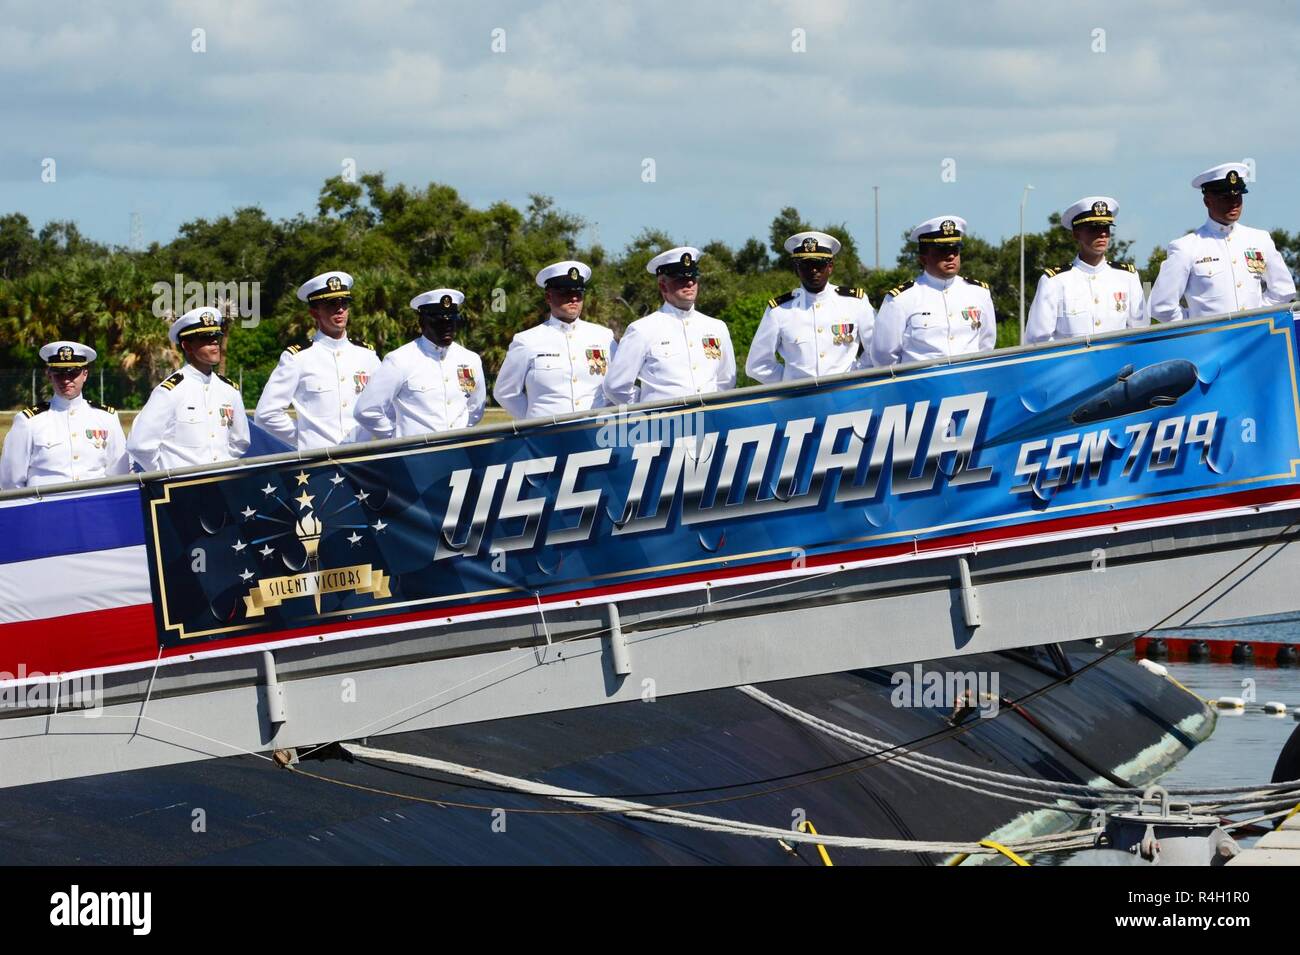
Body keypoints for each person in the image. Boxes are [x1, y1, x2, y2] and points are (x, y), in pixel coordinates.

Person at [1148, 162, 1296, 322]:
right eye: (1225, 197)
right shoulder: (1186, 247)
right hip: (1211, 343)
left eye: (1238, 196)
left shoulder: (1259, 239)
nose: (1234, 203)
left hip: (1255, 341)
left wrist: (1258, 318)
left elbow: (1283, 290)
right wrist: (1195, 328)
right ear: (1207, 201)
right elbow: (1161, 307)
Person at [254, 270, 381, 447]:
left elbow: (386, 406)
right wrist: (305, 438)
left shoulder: (367, 355)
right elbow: (266, 415)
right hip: (319, 462)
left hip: (361, 461)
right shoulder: (298, 358)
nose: (340, 309)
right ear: (314, 313)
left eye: (344, 303)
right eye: (331, 304)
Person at [603, 246, 735, 405]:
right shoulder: (642, 330)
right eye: (681, 279)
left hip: (710, 422)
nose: (690, 283)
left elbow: (726, 381)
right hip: (664, 425)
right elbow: (616, 386)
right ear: (663, 285)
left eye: (693, 277)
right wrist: (648, 407)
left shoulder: (717, 327)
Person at [127, 307, 250, 472]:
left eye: (216, 337)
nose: (214, 342)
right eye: (206, 338)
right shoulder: (170, 391)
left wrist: (223, 464)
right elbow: (139, 445)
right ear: (187, 346)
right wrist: (165, 473)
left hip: (222, 487)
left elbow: (240, 441)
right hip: (182, 488)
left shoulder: (229, 390)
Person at [353, 288, 486, 438]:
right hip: (416, 455)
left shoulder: (470, 359)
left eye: (452, 320)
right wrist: (398, 438)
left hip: (459, 453)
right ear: (422, 322)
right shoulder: (400, 360)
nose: (447, 326)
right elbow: (366, 410)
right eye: (440, 321)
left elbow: (475, 410)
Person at [745, 231, 874, 383]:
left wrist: (856, 376)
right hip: (800, 401)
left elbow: (877, 349)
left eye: (819, 264)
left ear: (830, 266)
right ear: (796, 268)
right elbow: (757, 364)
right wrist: (790, 384)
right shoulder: (779, 310)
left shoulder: (854, 302)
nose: (813, 270)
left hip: (848, 395)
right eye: (806, 265)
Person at [493, 261, 616, 419]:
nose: (573, 298)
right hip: (546, 437)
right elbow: (505, 392)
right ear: (548, 297)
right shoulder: (527, 341)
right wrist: (534, 422)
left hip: (594, 434)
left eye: (578, 293)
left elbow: (617, 385)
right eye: (565, 292)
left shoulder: (603, 336)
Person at [0, 340, 128, 489]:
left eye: (73, 373)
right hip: (46, 508)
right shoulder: (28, 421)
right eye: (59, 374)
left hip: (94, 506)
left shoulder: (106, 418)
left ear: (85, 374)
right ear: (49, 375)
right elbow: (10, 482)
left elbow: (120, 475)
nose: (66, 380)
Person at [871, 216, 997, 365]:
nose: (951, 256)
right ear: (923, 258)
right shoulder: (901, 299)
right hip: (921, 385)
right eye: (942, 251)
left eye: (955, 250)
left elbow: (985, 345)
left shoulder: (979, 293)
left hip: (968, 384)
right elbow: (884, 356)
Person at [1025, 197, 1147, 343]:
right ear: (1076, 234)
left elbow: (1140, 332)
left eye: (1106, 228)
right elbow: (1038, 339)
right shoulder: (1054, 281)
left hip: (1119, 363)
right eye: (1094, 228)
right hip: (1073, 364)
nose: (1102, 234)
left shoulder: (1128, 277)